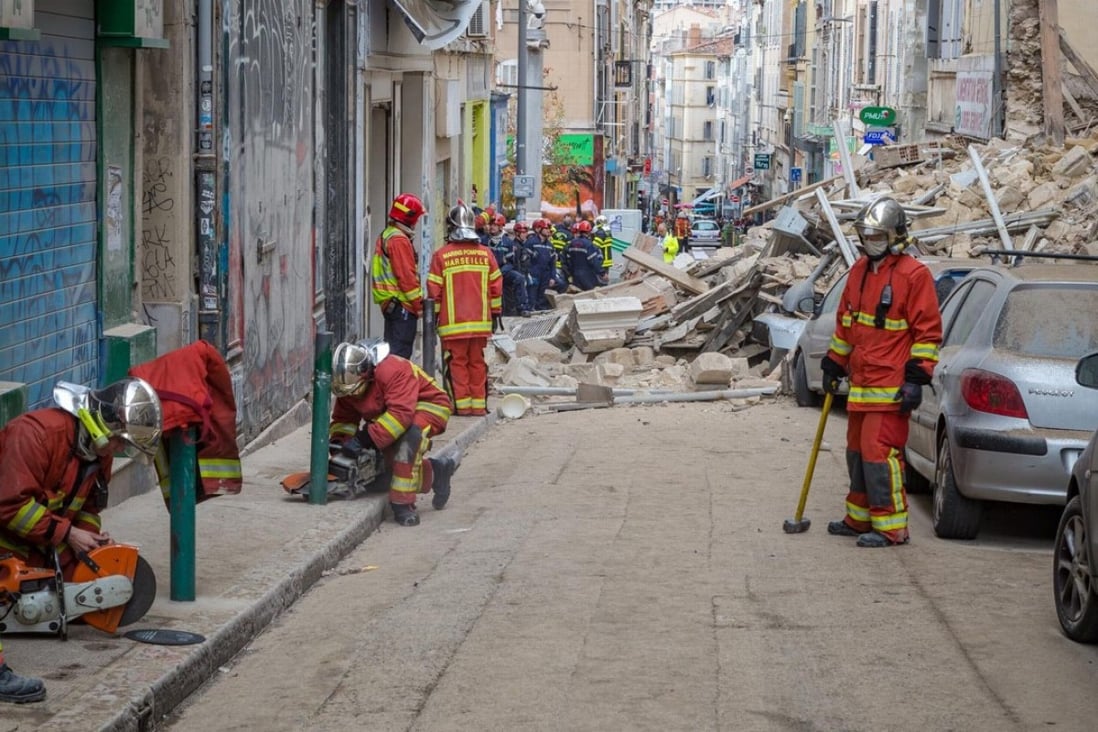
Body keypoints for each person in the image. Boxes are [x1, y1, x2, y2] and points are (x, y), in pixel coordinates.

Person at [0, 376, 163, 704]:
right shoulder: (34, 434)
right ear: (102, 425)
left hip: (40, 543)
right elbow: (10, 506)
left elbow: (88, 507)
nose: (119, 451)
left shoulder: (98, 450)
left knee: (73, 593)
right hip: (8, 542)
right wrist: (68, 534)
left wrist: (90, 539)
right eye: (119, 443)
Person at [820, 197, 943, 548]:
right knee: (857, 453)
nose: (869, 241)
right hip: (861, 384)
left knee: (879, 454)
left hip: (890, 387)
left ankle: (891, 527)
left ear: (894, 235)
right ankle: (859, 518)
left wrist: (916, 378)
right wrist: (834, 362)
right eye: (865, 235)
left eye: (876, 235)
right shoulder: (859, 271)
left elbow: (927, 333)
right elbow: (847, 324)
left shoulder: (914, 275)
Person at [329, 339, 457, 527]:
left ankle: (403, 505)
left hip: (428, 405)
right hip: (394, 412)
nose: (353, 396)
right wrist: (340, 443)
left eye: (355, 391)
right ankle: (437, 472)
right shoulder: (349, 386)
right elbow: (344, 419)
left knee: (407, 442)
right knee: (384, 475)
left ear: (366, 374)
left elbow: (400, 415)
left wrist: (364, 439)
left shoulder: (393, 370)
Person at [427, 202, 504, 416]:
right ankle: (478, 407)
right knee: (477, 362)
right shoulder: (486, 254)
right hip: (480, 323)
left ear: (451, 227)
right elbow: (496, 287)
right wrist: (495, 314)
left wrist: (434, 318)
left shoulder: (441, 256)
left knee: (456, 364)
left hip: (452, 325)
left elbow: (434, 292)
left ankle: (462, 407)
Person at [370, 193, 426, 360]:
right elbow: (406, 278)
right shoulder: (399, 240)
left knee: (393, 353)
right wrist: (419, 306)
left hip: (391, 304)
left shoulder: (388, 234)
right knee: (400, 356)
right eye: (416, 218)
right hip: (402, 305)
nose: (417, 223)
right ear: (409, 217)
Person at [561, 219, 606, 291]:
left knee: (577, 293)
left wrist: (569, 274)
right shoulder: (588, 244)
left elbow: (567, 260)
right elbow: (594, 261)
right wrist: (602, 273)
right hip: (588, 276)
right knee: (589, 294)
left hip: (575, 276)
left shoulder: (572, 243)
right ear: (589, 232)